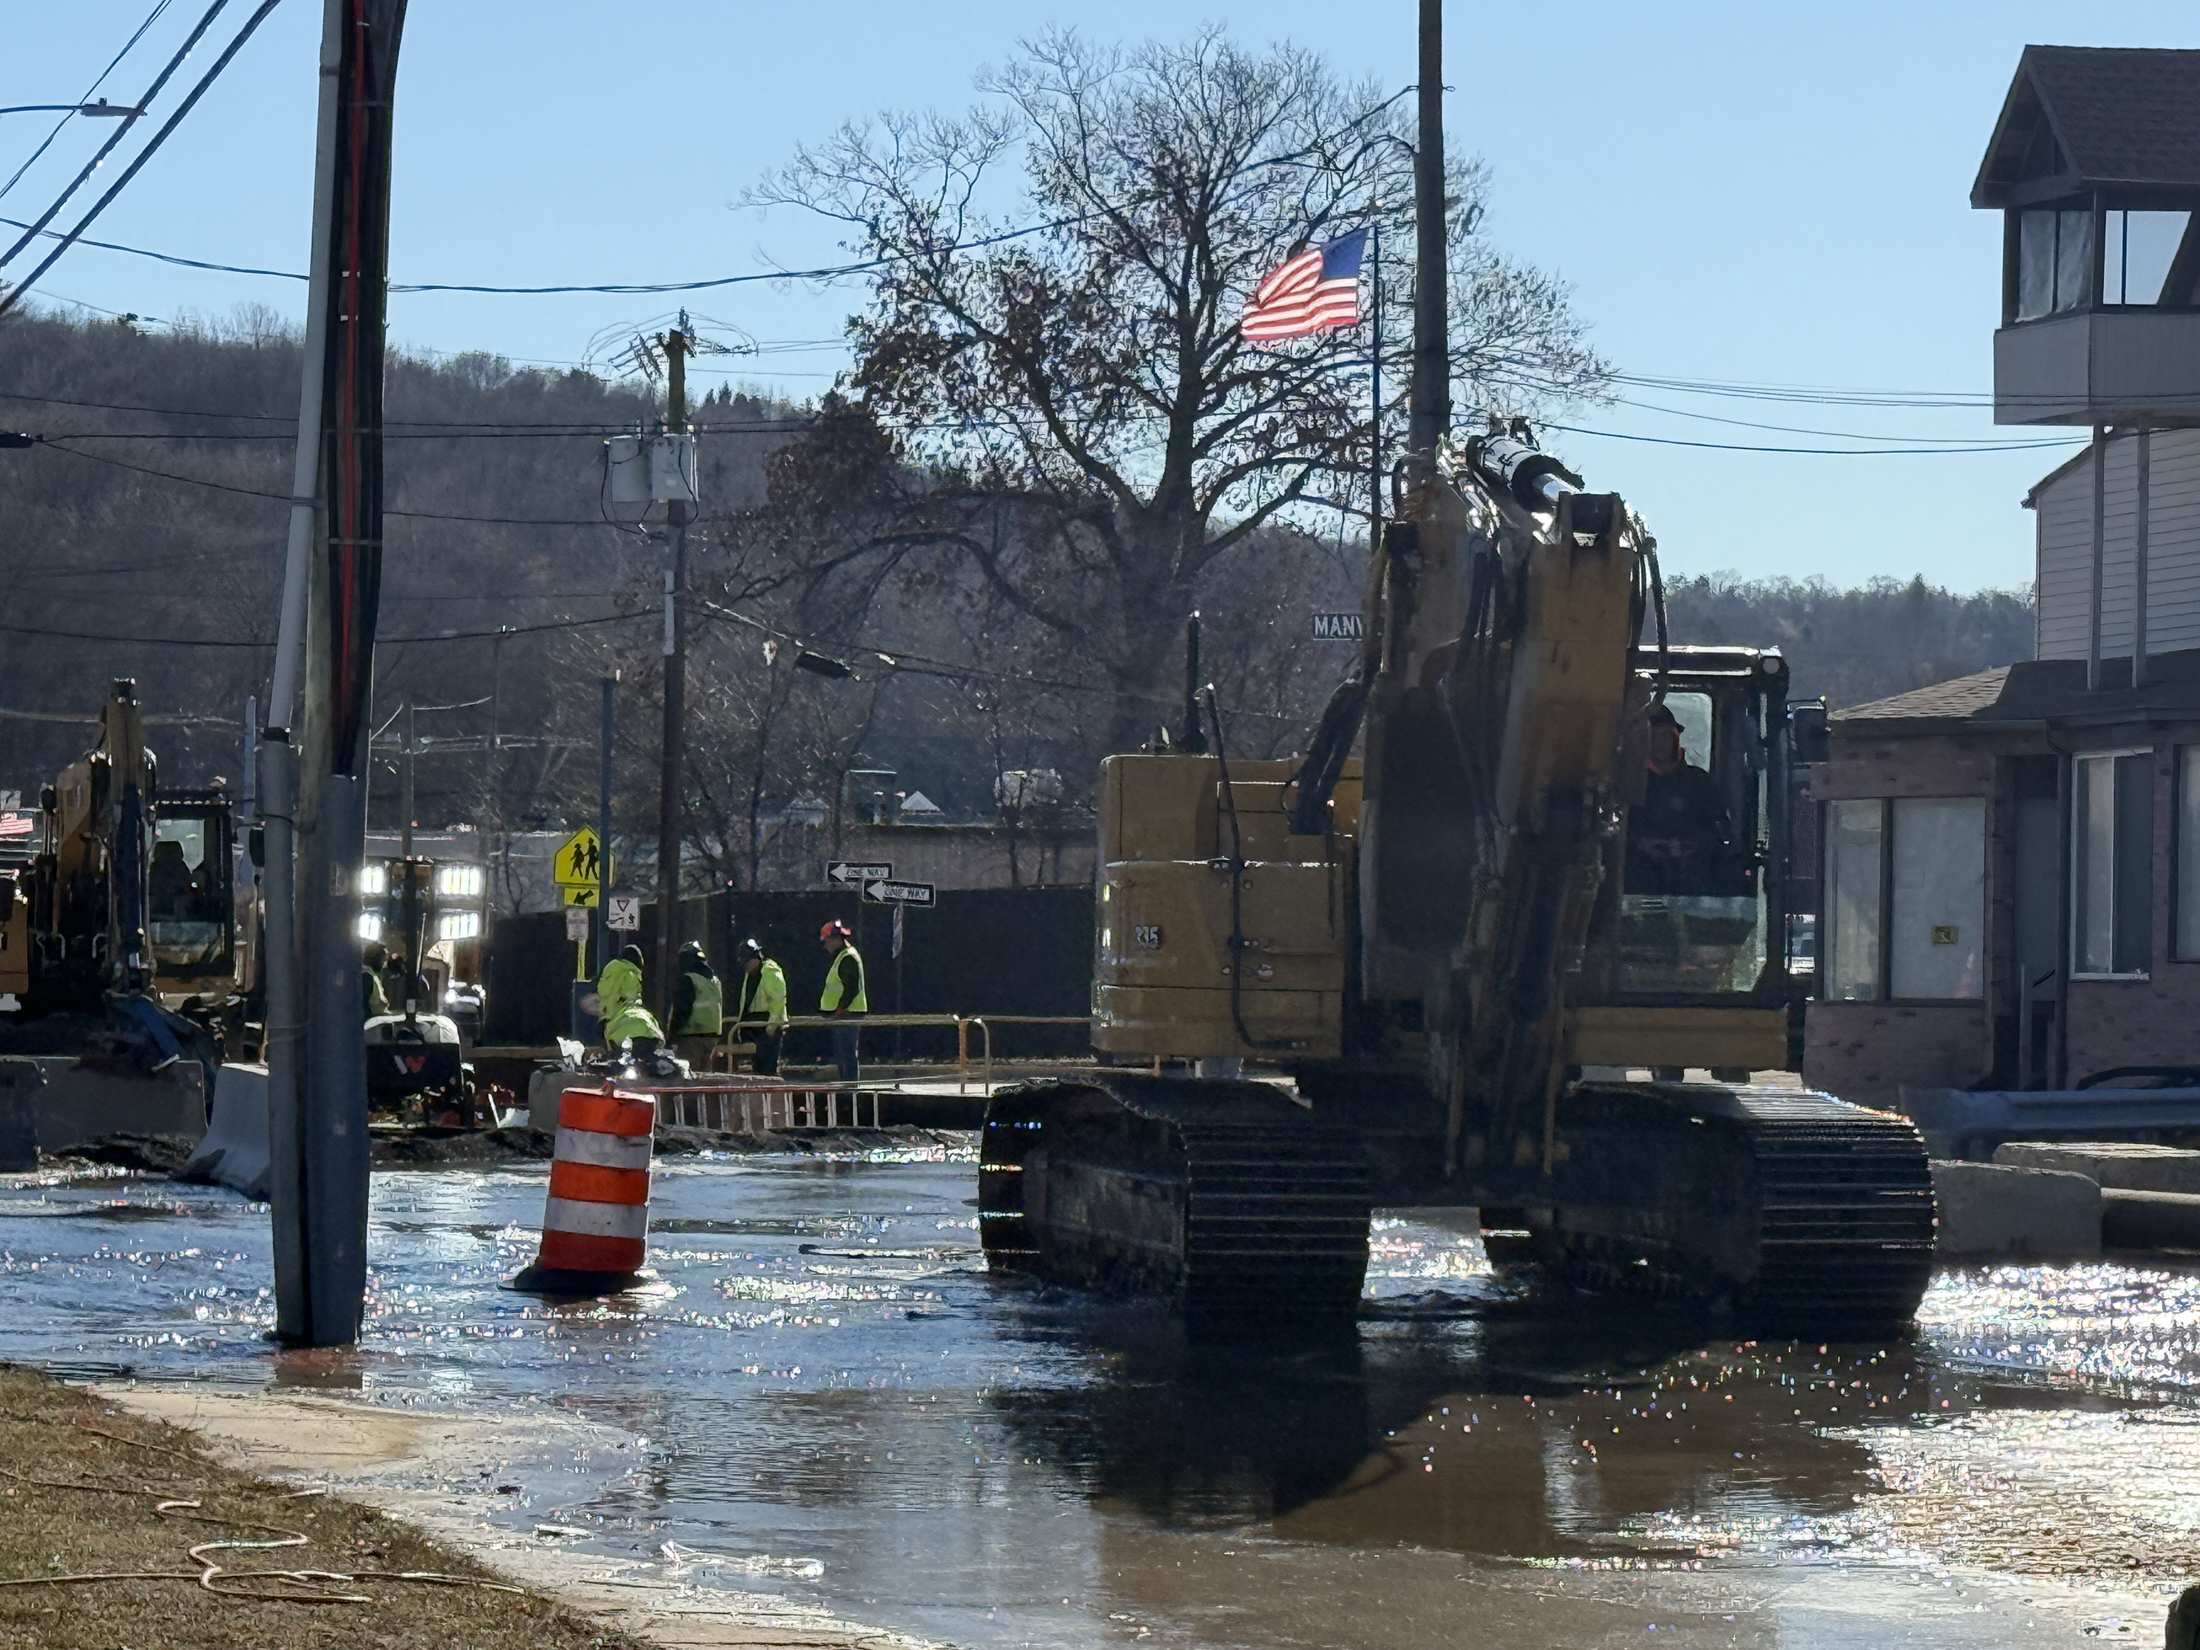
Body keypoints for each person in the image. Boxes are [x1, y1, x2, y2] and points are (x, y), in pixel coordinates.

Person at [1625, 702, 1734, 895]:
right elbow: (1615, 828)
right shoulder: (1627, 782)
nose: (1660, 743)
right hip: (1637, 876)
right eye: (1653, 737)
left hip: (1693, 878)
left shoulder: (1700, 782)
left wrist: (1688, 847)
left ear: (1675, 739)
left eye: (1666, 736)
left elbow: (1719, 828)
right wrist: (1642, 844)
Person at [594, 942, 665, 1058]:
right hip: (640, 1027)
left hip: (611, 1022)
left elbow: (606, 997)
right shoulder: (630, 973)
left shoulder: (608, 972)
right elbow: (631, 997)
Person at [818, 919, 867, 1083]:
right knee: (843, 1054)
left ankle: (850, 1090)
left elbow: (852, 987)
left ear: (834, 940)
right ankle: (848, 1088)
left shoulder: (847, 958)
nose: (825, 947)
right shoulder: (843, 956)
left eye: (826, 942)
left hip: (847, 1014)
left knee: (847, 1054)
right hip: (843, 1013)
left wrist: (841, 1008)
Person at [732, 936, 788, 1075]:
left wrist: (772, 1026)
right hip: (753, 1025)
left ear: (755, 957)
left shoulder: (770, 971)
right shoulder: (750, 974)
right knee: (758, 1067)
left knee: (768, 1067)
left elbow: (777, 1000)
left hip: (766, 1026)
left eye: (746, 961)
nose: (745, 965)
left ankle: (770, 1095)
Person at [670, 939, 724, 1068]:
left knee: (689, 1077)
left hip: (691, 1037)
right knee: (705, 1078)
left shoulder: (689, 979)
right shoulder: (714, 981)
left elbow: (682, 1010)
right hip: (712, 1036)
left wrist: (672, 1037)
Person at [361, 940, 391, 1019]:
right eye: (383, 960)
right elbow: (364, 1005)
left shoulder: (373, 976)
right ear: (376, 959)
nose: (384, 964)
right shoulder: (366, 976)